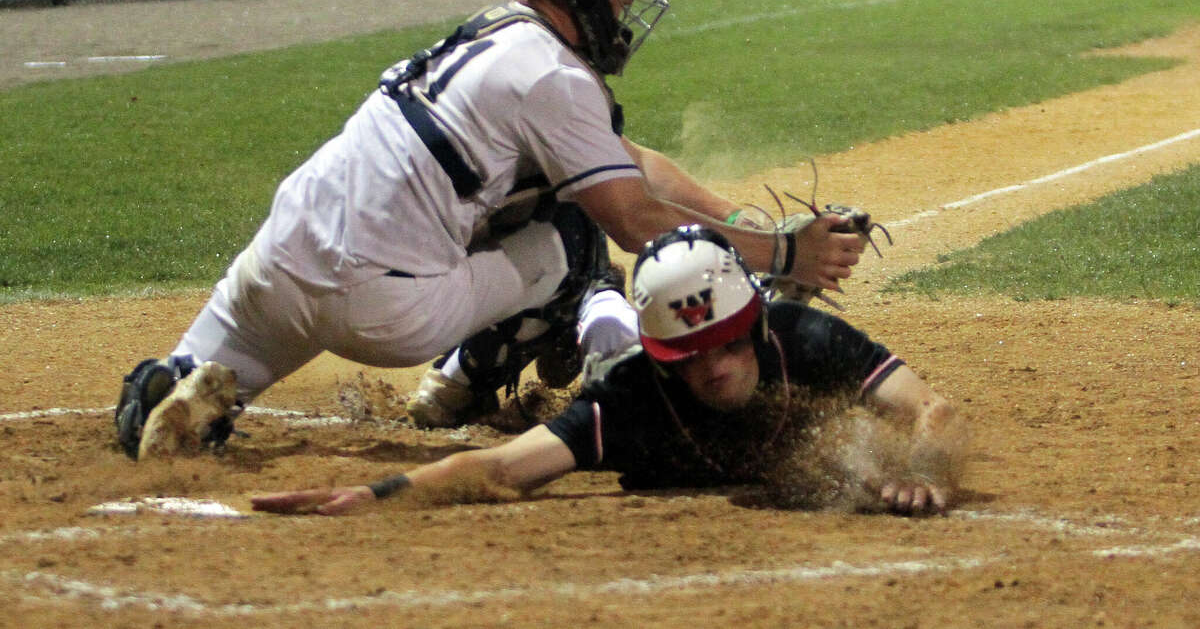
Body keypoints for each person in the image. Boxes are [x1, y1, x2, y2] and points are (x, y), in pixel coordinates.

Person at [113, 0, 867, 461]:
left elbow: (631, 160)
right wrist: (785, 253)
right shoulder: (555, 77)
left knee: (197, 382)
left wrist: (738, 219)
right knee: (573, 233)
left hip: (282, 257)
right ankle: (464, 379)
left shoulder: (495, 35)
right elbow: (635, 216)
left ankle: (172, 393)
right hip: (388, 305)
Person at [252, 226, 966, 517]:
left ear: (754, 324)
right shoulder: (631, 395)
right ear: (666, 361)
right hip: (615, 359)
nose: (713, 369)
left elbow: (933, 409)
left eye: (726, 344)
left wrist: (927, 471)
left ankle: (596, 290)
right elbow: (501, 468)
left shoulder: (802, 334)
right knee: (606, 349)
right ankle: (590, 289)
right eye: (689, 356)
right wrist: (376, 495)